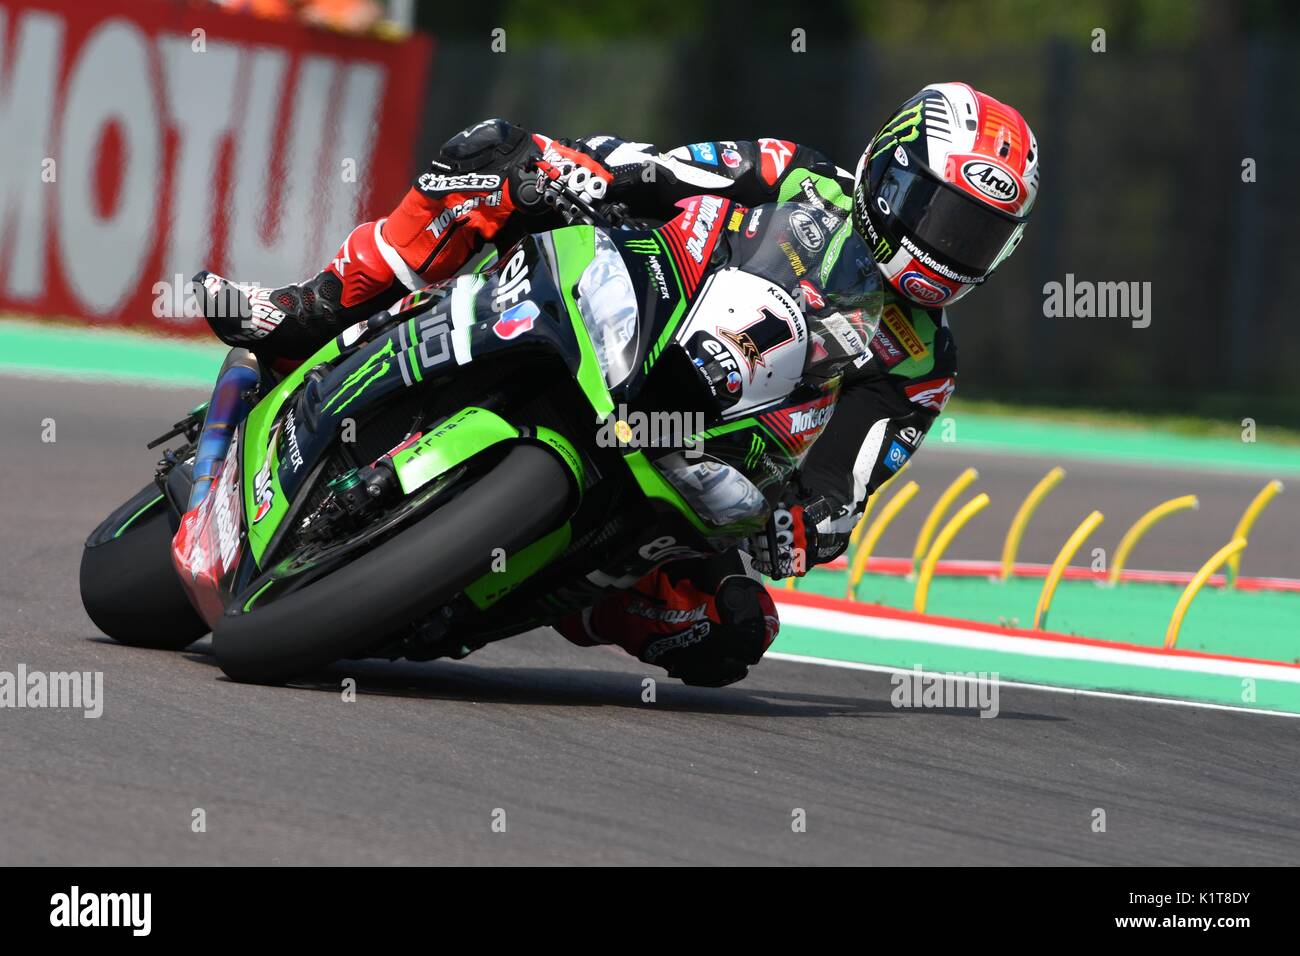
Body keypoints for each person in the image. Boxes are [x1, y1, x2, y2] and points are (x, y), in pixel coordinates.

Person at [194, 82, 1040, 686]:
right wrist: (594, 175)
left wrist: (802, 529)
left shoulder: (922, 363)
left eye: (980, 237)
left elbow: (843, 485)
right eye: (946, 218)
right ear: (892, 176)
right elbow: (667, 171)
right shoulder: (793, 174)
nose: (953, 250)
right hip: (639, 310)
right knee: (494, 153)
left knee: (735, 632)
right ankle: (307, 310)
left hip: (707, 454)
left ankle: (589, 607)